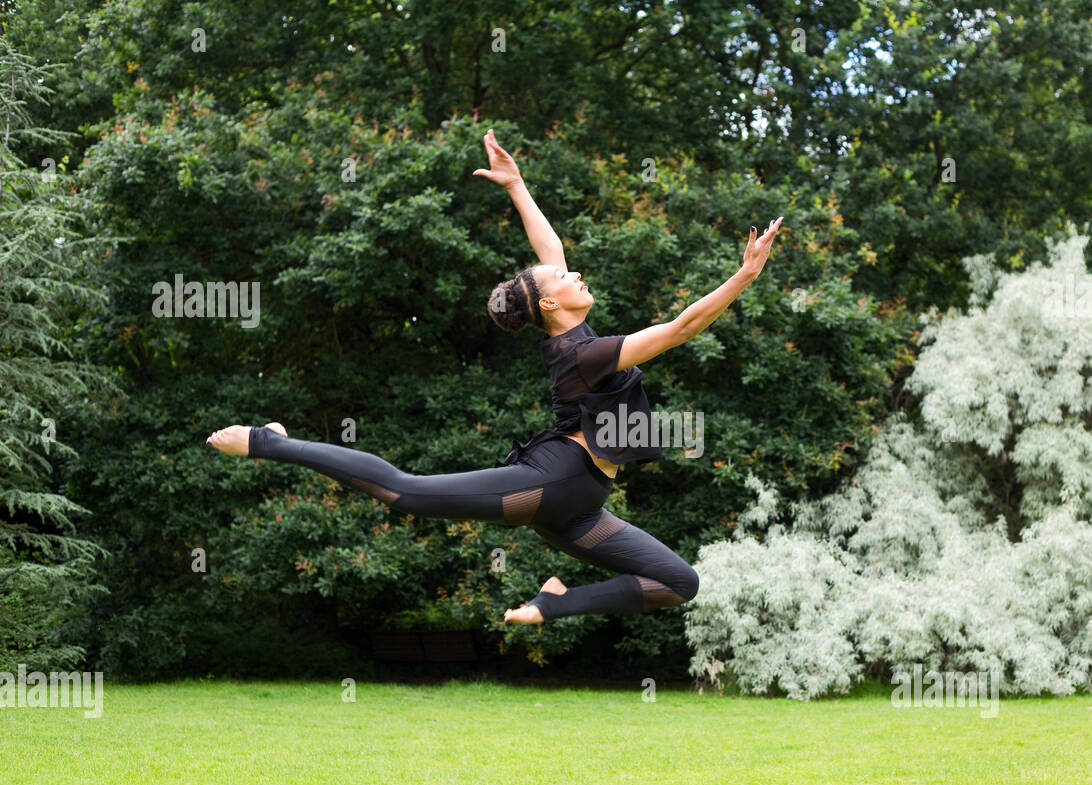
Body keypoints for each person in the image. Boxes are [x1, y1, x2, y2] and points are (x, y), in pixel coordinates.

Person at [207, 128, 782, 625]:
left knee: (679, 582)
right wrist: (743, 276)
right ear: (551, 306)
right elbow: (681, 329)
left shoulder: (576, 337)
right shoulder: (585, 353)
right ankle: (269, 443)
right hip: (553, 483)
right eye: (563, 278)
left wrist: (516, 187)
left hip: (581, 509)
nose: (575, 273)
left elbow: (549, 250)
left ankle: (552, 603)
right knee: (406, 492)